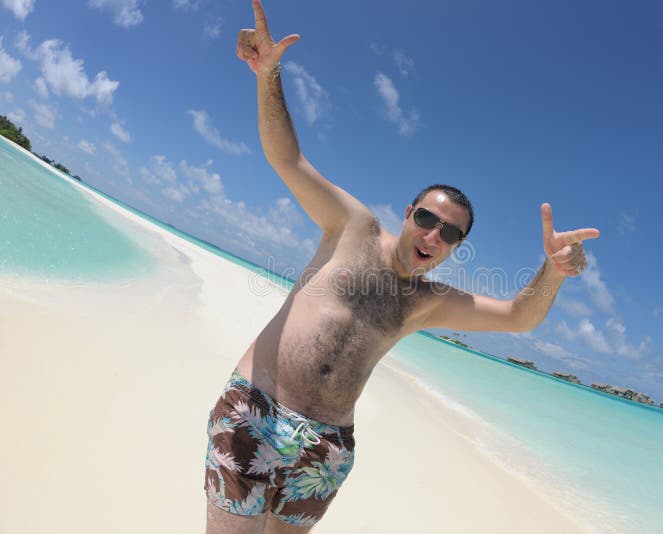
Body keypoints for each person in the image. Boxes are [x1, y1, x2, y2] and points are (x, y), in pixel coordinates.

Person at [205, 1, 600, 532]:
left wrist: (552, 270)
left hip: (326, 449)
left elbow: (517, 318)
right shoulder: (352, 228)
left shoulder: (426, 302)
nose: (434, 235)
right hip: (257, 412)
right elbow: (287, 160)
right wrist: (268, 75)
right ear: (407, 212)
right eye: (426, 218)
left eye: (451, 233)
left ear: (456, 248)